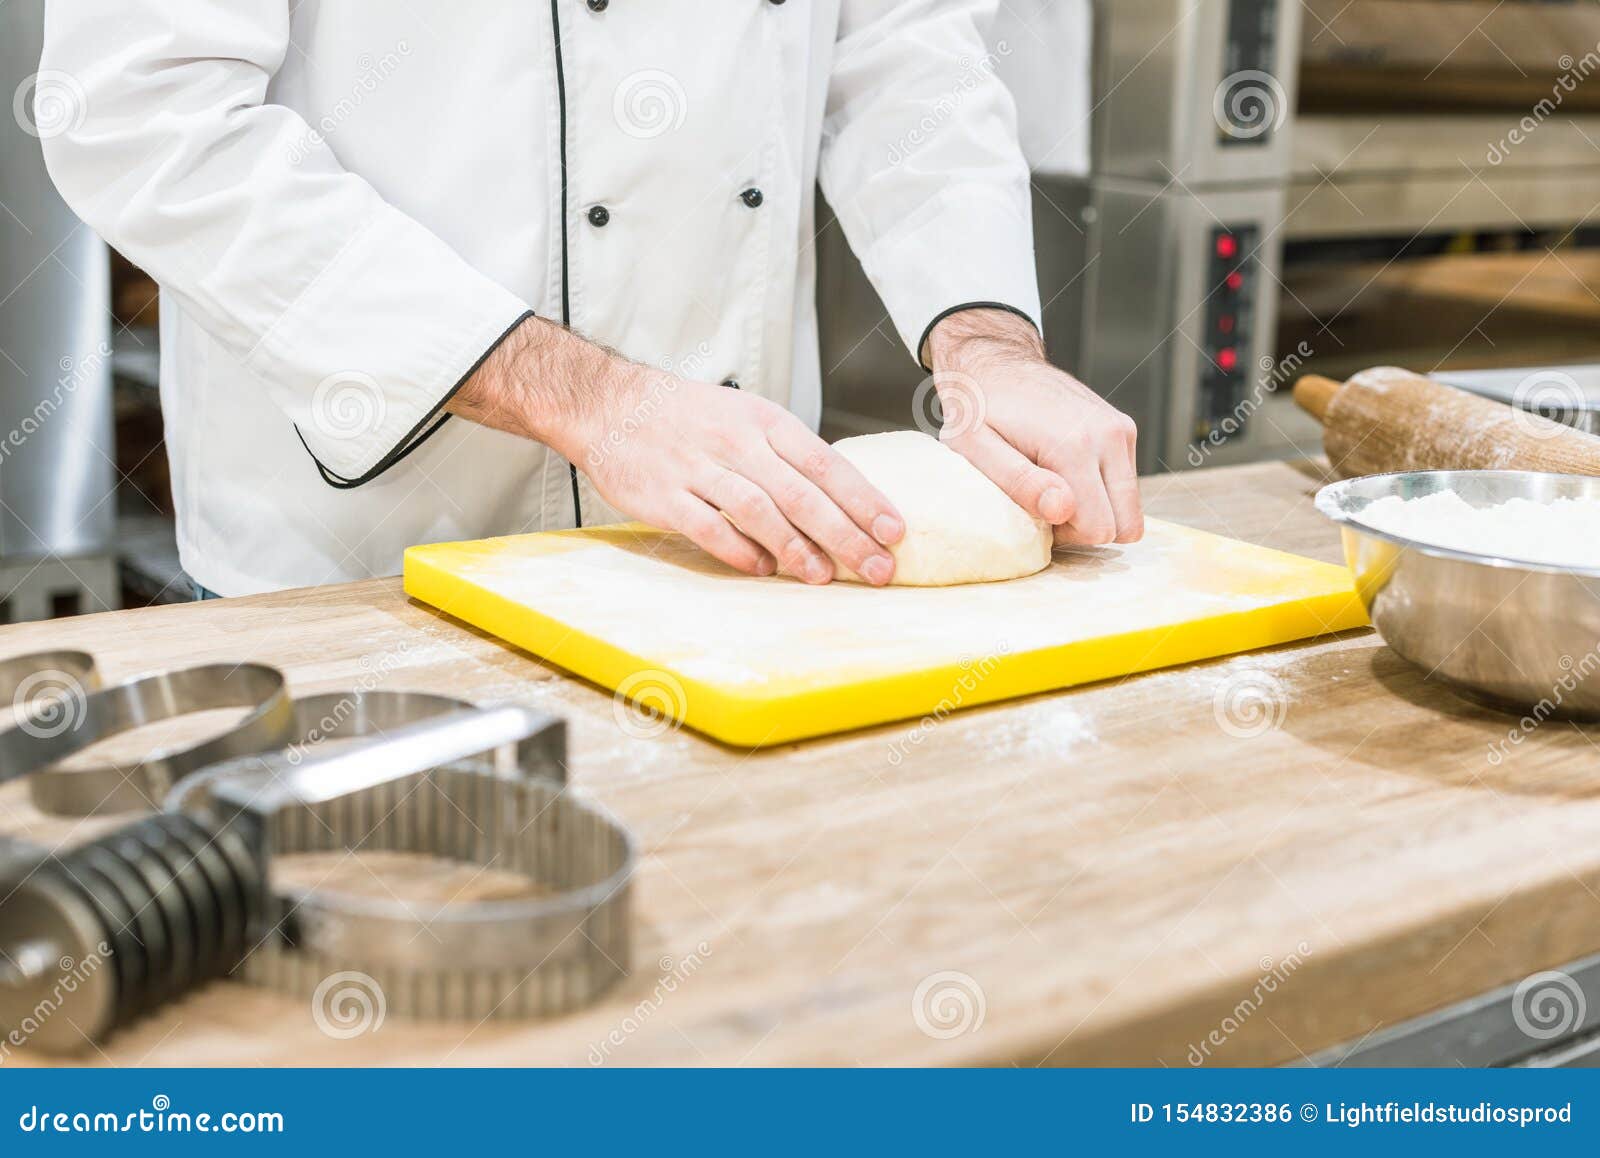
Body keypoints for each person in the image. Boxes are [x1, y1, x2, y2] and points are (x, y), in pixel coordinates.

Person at [40, 0, 1141, 596]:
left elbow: (905, 50)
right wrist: (591, 401)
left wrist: (989, 345)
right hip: (369, 558)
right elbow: (142, 117)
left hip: (737, 557)